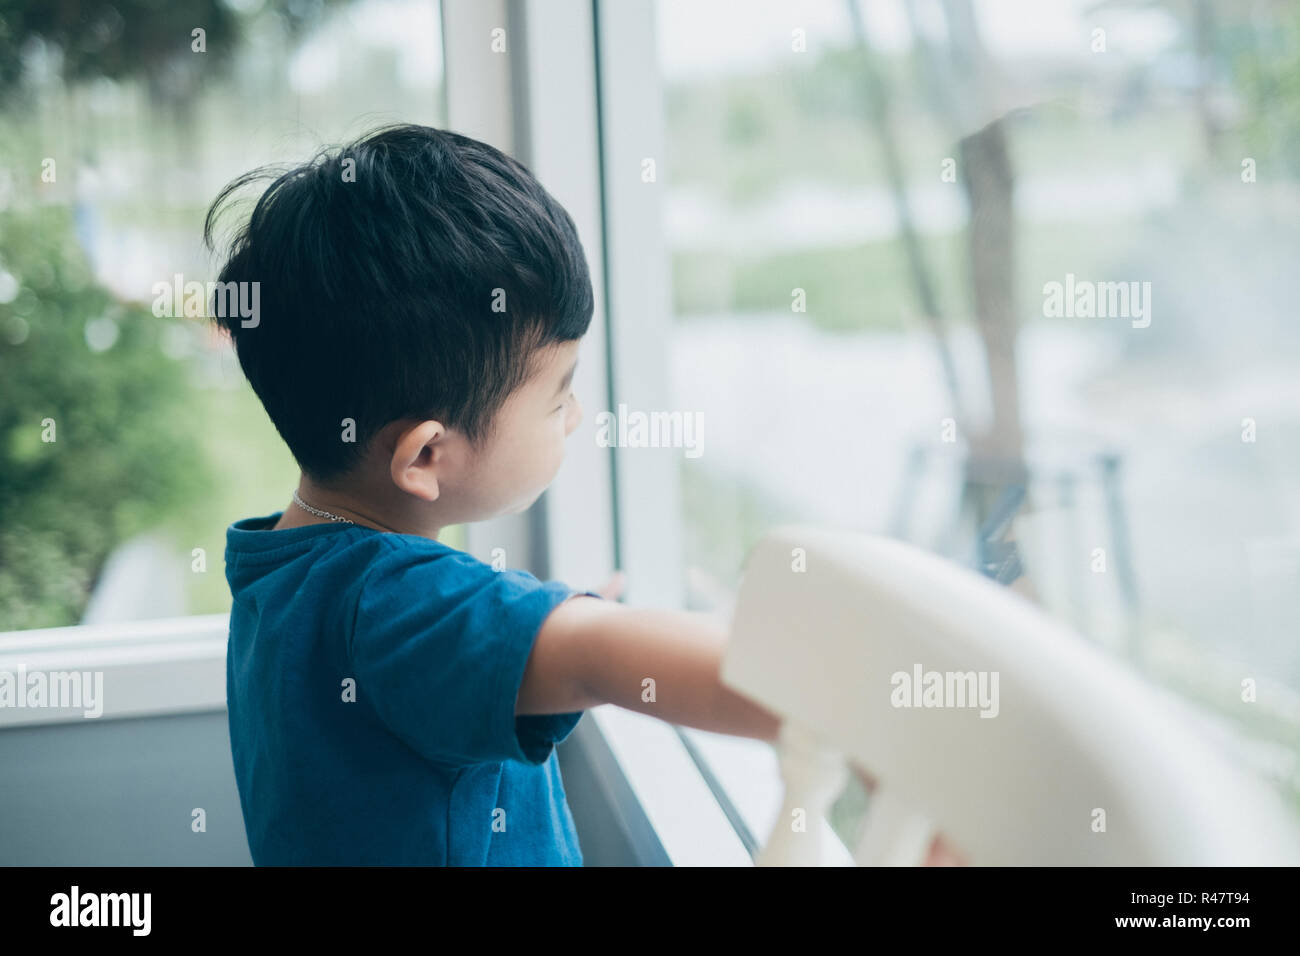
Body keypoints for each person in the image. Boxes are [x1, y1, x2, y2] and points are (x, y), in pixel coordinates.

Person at [208, 123, 961, 866]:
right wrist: (860, 710)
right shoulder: (398, 606)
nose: (574, 415)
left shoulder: (278, 565)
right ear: (426, 454)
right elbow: (597, 660)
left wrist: (546, 627)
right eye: (556, 395)